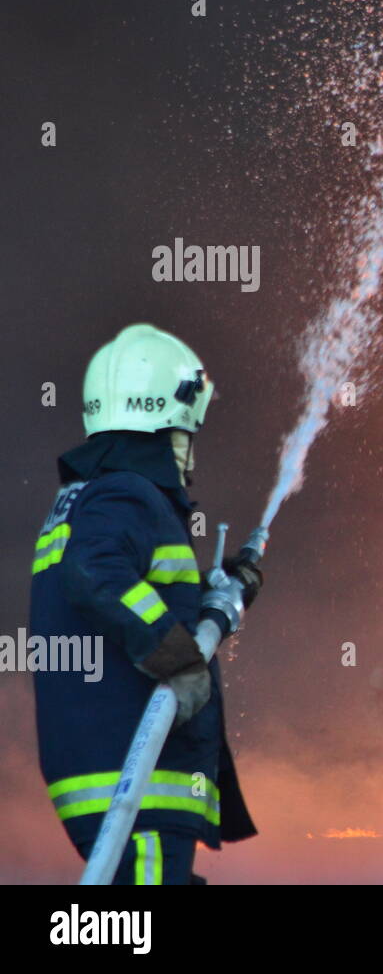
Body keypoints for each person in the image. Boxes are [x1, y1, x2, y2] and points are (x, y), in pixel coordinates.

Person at [30, 323, 261, 884]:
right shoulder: (125, 493)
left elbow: (126, 585)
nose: (189, 458)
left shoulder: (87, 499)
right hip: (137, 790)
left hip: (113, 786)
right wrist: (177, 657)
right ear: (160, 425)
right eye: (185, 438)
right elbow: (97, 574)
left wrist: (213, 596)